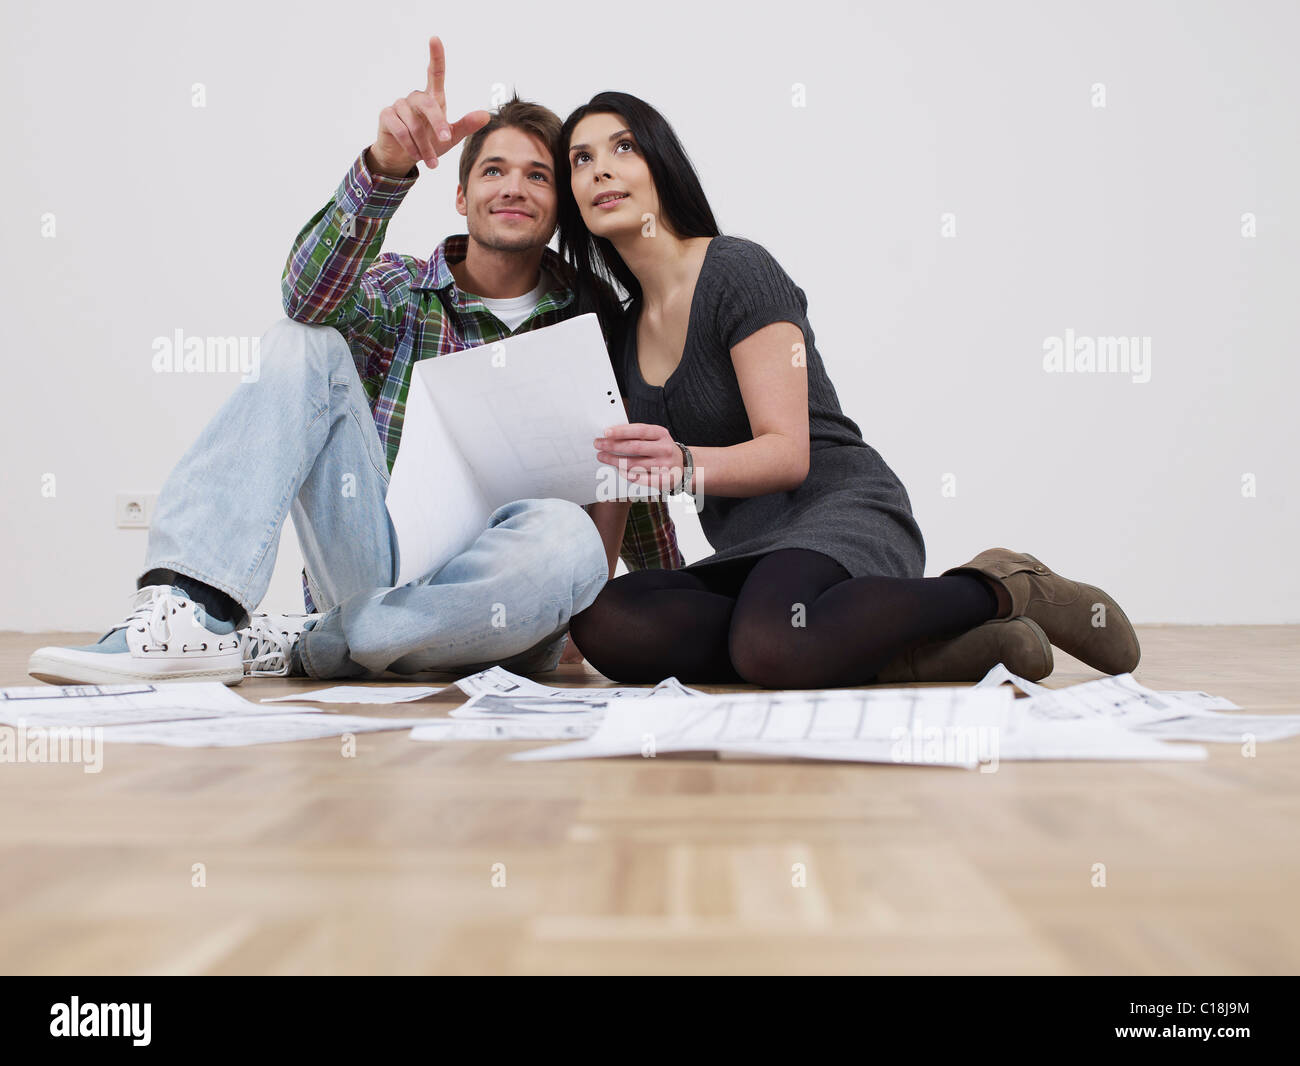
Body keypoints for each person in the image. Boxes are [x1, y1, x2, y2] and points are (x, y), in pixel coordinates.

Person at [28, 41, 682, 687]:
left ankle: (323, 644)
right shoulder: (401, 292)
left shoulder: (595, 326)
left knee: (571, 539)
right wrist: (384, 166)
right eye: (494, 171)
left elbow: (635, 483)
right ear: (461, 195)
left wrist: (672, 614)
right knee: (301, 339)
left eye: (538, 174)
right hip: (377, 560)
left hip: (505, 602)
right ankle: (196, 609)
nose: (514, 187)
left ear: (558, 202)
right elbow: (306, 298)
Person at [556, 92, 1142, 688]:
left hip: (838, 511)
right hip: (752, 554)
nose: (600, 167)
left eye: (623, 147)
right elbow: (617, 475)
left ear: (661, 164)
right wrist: (585, 595)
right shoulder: (621, 331)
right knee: (607, 622)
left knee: (770, 639)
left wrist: (682, 464)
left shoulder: (737, 270)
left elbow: (787, 454)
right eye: (580, 159)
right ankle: (896, 650)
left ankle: (1002, 587)